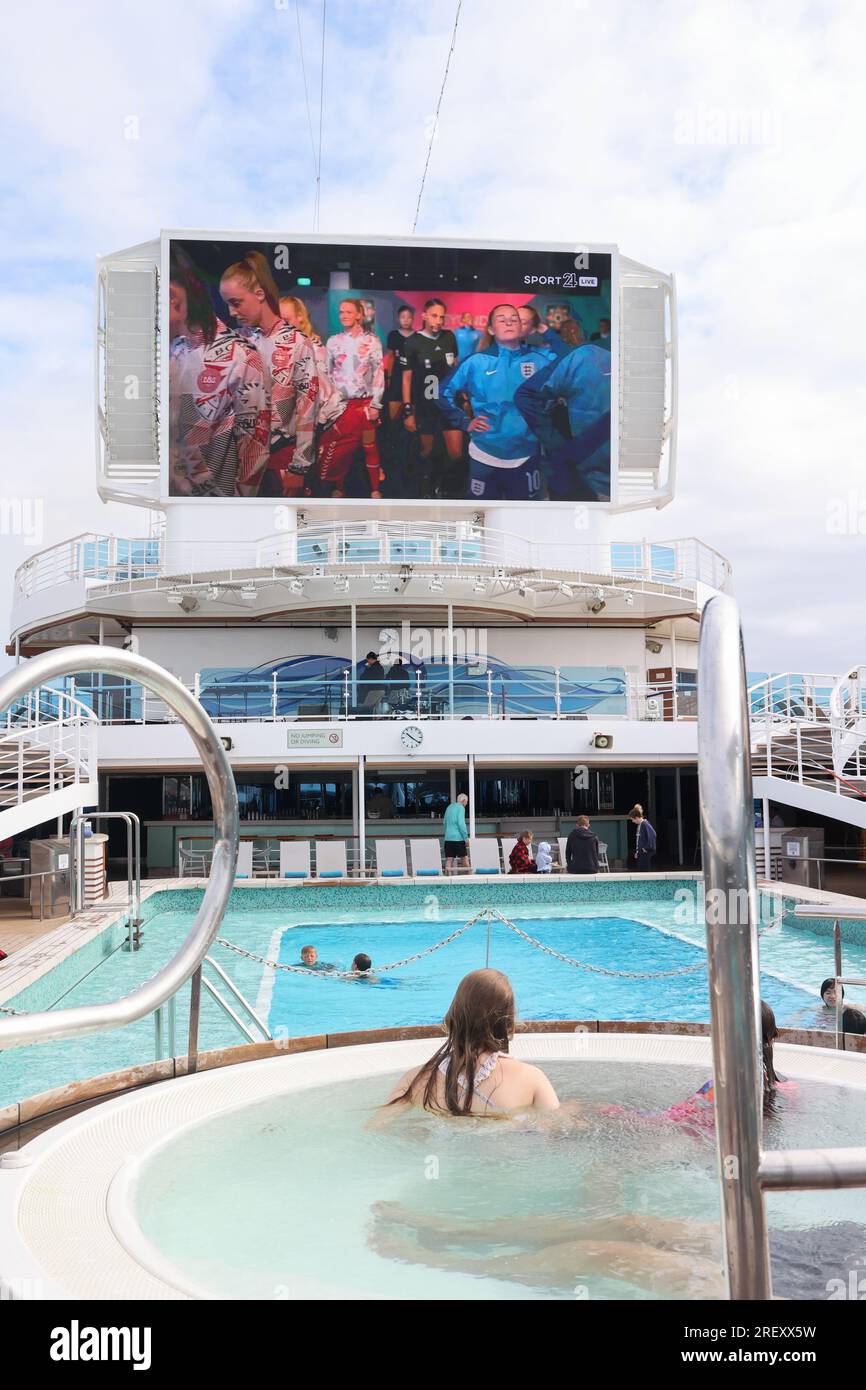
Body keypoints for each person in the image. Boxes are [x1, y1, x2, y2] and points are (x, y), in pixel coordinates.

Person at [385, 969, 560, 1115]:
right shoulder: (531, 1079)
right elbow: (556, 1129)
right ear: (508, 1021)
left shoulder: (415, 1081)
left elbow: (378, 1126)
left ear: (454, 1014)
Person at [168, 250, 271, 497]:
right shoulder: (170, 350)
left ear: (174, 299)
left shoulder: (241, 356)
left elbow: (254, 446)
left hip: (217, 506)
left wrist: (237, 506)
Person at [219, 251, 318, 497]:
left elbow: (308, 409)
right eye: (228, 304)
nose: (231, 312)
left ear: (259, 294)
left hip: (279, 464)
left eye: (236, 302)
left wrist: (299, 467)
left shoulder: (298, 343)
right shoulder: (234, 342)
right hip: (234, 465)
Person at [437, 304, 559, 500]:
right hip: (484, 455)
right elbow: (442, 392)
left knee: (524, 520)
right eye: (502, 319)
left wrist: (546, 330)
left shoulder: (540, 359)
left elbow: (571, 361)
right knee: (479, 516)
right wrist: (464, 422)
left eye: (514, 318)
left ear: (522, 327)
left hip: (526, 456)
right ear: (491, 330)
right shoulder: (476, 362)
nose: (509, 322)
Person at [513, 341, 612, 501]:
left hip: (636, 481)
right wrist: (559, 446)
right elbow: (526, 396)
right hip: (589, 481)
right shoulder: (586, 355)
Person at [318, 298, 385, 498]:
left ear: (359, 314)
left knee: (369, 446)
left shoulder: (372, 341)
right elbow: (327, 375)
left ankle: (375, 489)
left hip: (364, 405)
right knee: (340, 449)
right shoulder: (333, 341)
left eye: (348, 312)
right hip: (340, 406)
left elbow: (379, 373)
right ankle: (339, 488)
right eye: (341, 312)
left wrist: (376, 404)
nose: (344, 315)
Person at [399, 298, 465, 497]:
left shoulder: (449, 337)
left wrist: (464, 397)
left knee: (456, 453)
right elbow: (407, 379)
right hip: (426, 405)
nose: (438, 321)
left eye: (442, 317)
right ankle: (425, 488)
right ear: (424, 316)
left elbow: (456, 368)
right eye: (434, 316)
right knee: (426, 451)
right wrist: (408, 410)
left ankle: (445, 488)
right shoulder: (412, 342)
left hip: (450, 404)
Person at [279, 295, 346, 431]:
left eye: (286, 320)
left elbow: (322, 393)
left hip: (315, 422)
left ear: (300, 317)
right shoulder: (277, 347)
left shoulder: (314, 348)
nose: (281, 326)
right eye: (277, 321)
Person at [442, 792, 469, 873]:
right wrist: (466, 838)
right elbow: (461, 824)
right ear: (464, 800)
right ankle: (470, 877)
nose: (466, 804)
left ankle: (447, 879)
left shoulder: (449, 807)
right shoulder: (461, 808)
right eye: (466, 802)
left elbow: (444, 822)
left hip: (448, 838)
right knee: (464, 858)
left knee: (449, 859)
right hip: (458, 838)